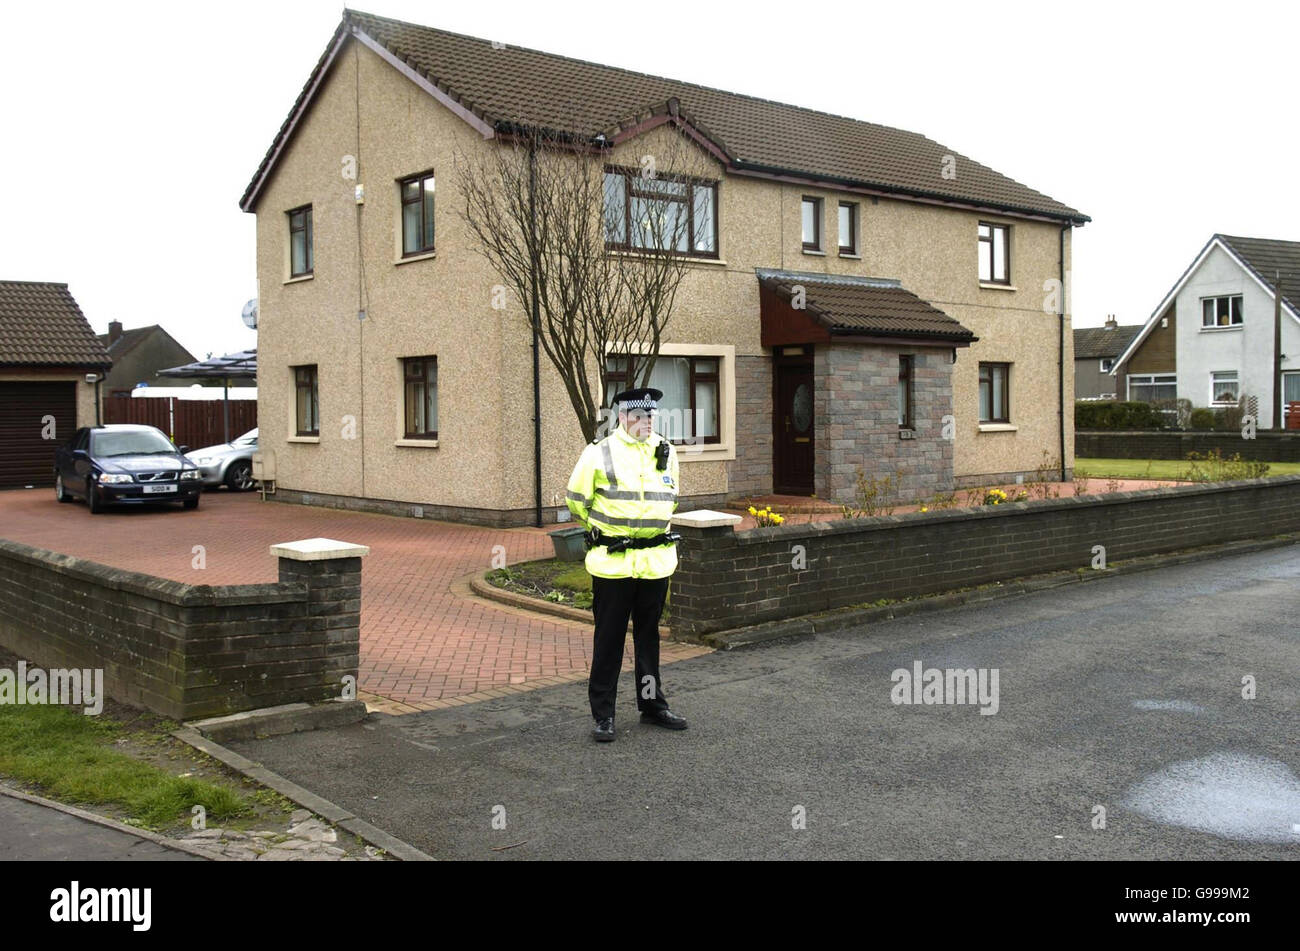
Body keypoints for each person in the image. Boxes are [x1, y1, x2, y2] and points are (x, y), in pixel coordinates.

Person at [565, 387, 687, 742]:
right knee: (609, 641)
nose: (645, 423)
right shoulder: (599, 453)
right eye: (638, 417)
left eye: (650, 417)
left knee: (649, 639)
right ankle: (603, 715)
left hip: (654, 563)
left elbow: (672, 498)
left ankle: (652, 706)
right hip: (613, 564)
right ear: (621, 417)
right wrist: (601, 531)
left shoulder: (666, 451)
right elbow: (576, 501)